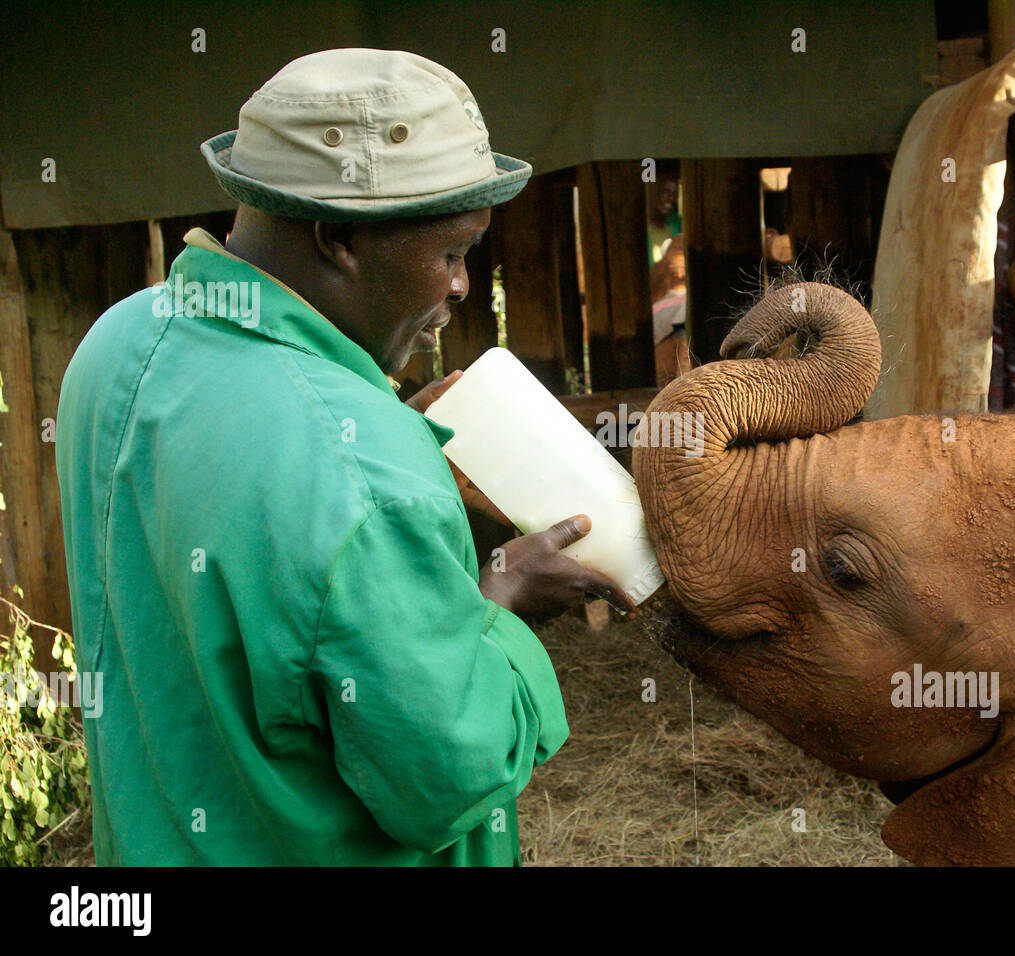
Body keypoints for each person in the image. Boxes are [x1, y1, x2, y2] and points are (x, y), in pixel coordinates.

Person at [54, 48, 633, 866]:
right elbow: (450, 775)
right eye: (455, 253)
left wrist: (374, 428)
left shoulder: (118, 343)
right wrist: (499, 604)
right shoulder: (362, 471)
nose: (464, 286)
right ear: (339, 240)